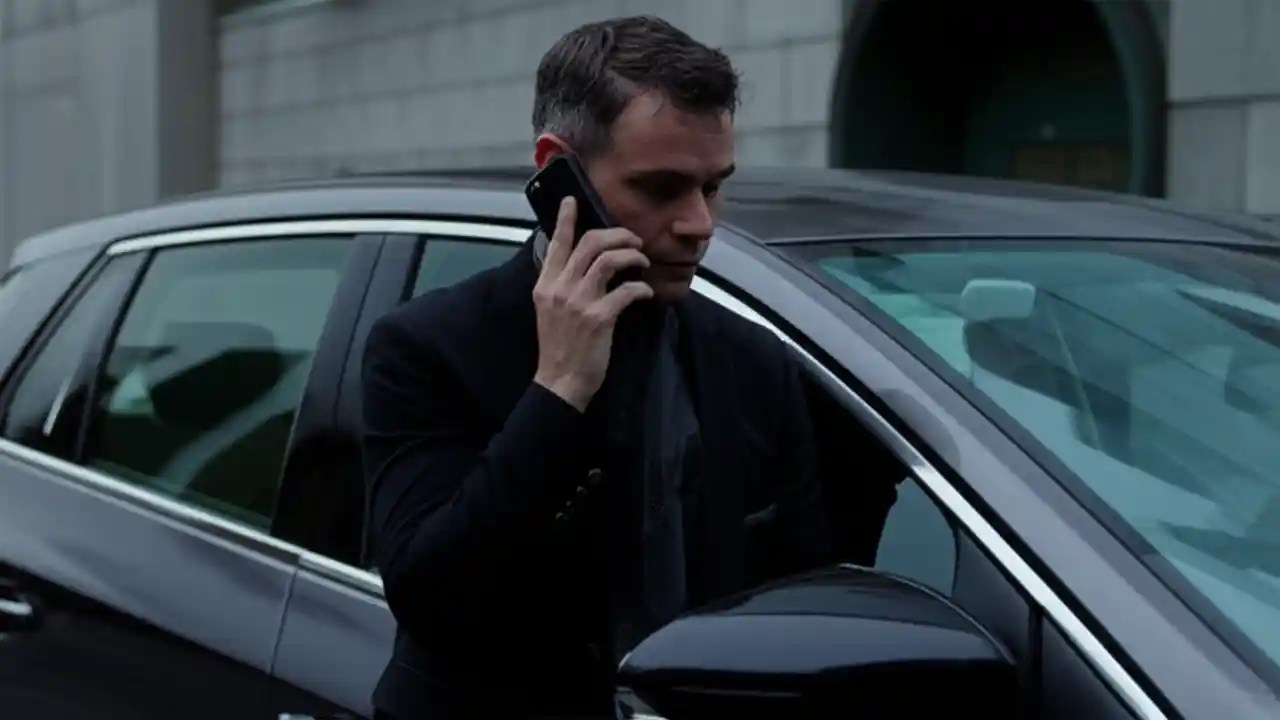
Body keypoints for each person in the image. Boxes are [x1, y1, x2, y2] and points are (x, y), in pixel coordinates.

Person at [360, 15, 833, 719]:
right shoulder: (427, 347)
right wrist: (559, 393)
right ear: (559, 169)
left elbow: (804, 605)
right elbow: (434, 597)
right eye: (663, 188)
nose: (701, 223)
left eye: (713, 187)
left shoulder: (756, 362)